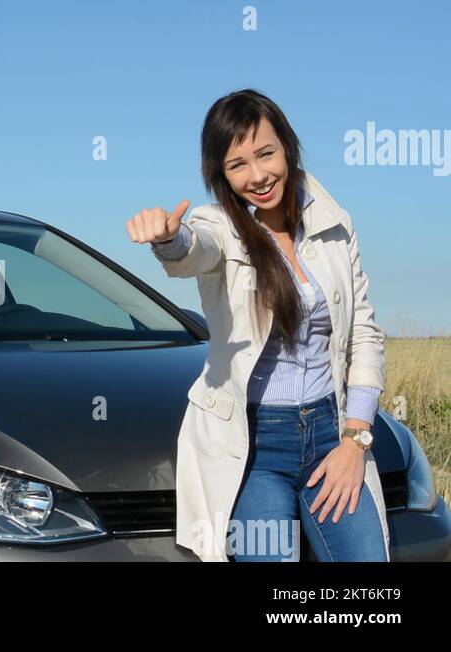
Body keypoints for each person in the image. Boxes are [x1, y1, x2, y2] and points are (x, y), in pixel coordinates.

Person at [125, 89, 388, 561]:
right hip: (255, 448)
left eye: (266, 153)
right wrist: (167, 238)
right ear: (220, 174)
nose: (259, 175)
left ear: (286, 145)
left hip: (333, 436)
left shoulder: (335, 224)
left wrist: (355, 438)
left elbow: (365, 335)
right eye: (237, 165)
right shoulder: (221, 228)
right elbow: (193, 249)